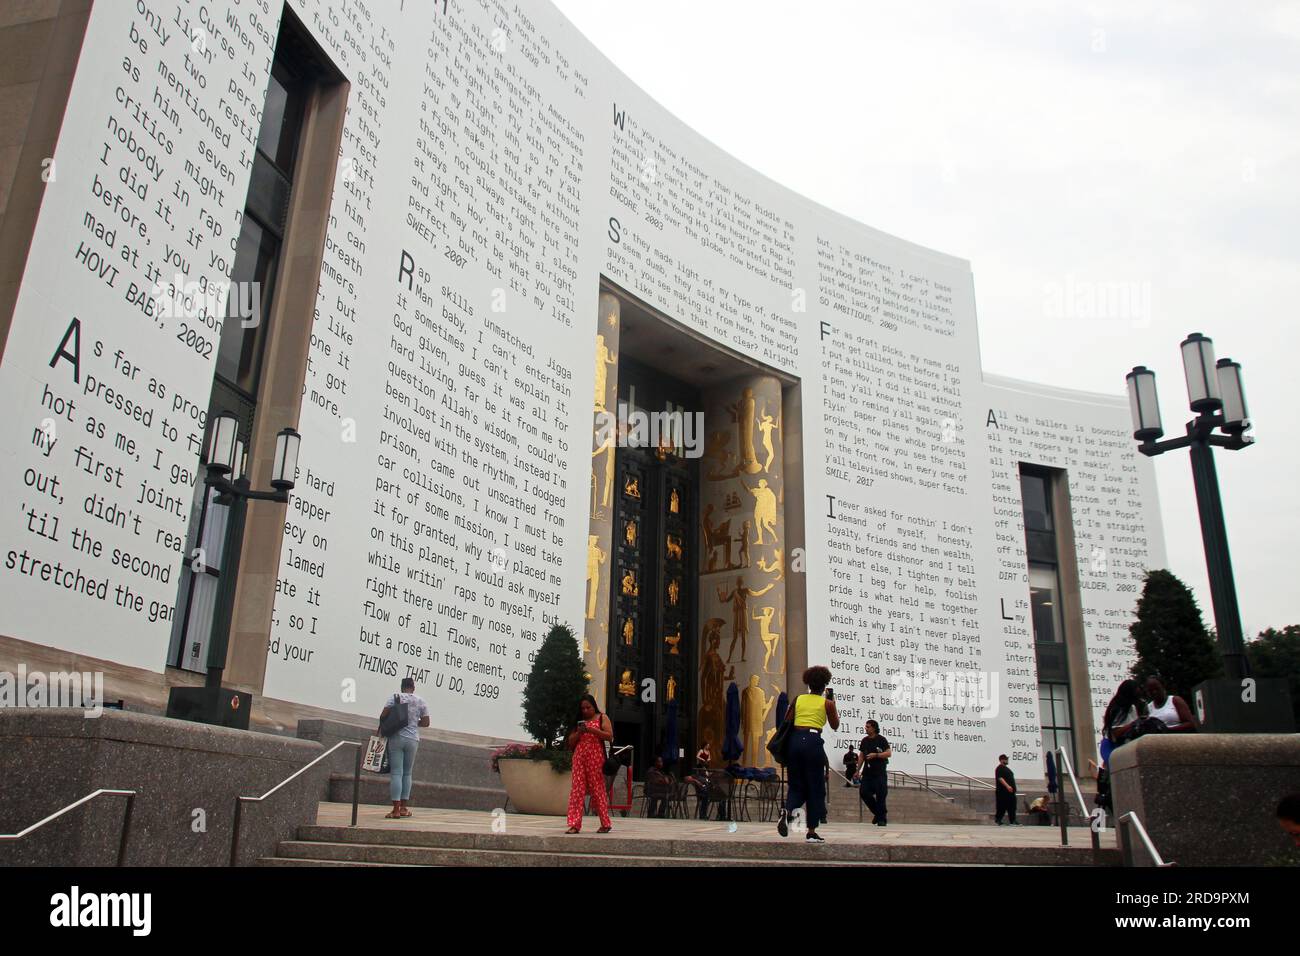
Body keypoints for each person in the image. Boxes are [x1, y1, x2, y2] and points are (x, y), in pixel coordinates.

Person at [777, 665, 839, 844]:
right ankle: (811, 831)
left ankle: (788, 811)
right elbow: (835, 725)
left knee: (796, 785)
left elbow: (786, 721)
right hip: (813, 741)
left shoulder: (798, 699)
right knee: (815, 787)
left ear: (809, 683)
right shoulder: (826, 703)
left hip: (795, 742)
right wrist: (832, 704)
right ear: (825, 684)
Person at [377, 678, 430, 820]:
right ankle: (404, 808)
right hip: (413, 739)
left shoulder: (395, 697)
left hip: (396, 737)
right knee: (407, 773)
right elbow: (426, 722)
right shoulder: (420, 701)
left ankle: (395, 810)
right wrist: (413, 723)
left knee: (396, 773)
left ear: (402, 687)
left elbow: (383, 716)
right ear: (413, 687)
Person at [565, 694, 614, 834]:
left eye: (588, 707)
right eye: (583, 708)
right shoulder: (579, 722)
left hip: (595, 757)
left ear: (594, 706)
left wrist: (592, 730)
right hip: (580, 756)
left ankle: (605, 823)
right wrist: (580, 732)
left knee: (597, 789)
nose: (586, 711)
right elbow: (570, 742)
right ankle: (574, 824)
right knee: (577, 790)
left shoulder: (602, 717)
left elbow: (609, 736)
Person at [859, 719, 892, 826]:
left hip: (879, 773)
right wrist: (857, 770)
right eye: (866, 726)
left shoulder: (881, 739)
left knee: (881, 795)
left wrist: (876, 755)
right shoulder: (864, 740)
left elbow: (888, 753)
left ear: (874, 728)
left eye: (868, 727)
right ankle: (878, 813)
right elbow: (861, 756)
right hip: (867, 773)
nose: (866, 728)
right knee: (864, 792)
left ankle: (881, 819)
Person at [994, 754, 1018, 825]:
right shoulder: (999, 768)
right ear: (1001, 760)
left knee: (1012, 806)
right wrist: (1007, 786)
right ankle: (998, 819)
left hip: (1010, 792)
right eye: (1005, 759)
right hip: (1003, 792)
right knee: (1002, 806)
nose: (1007, 760)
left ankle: (1013, 820)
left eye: (1007, 759)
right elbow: (1000, 778)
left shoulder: (1006, 768)